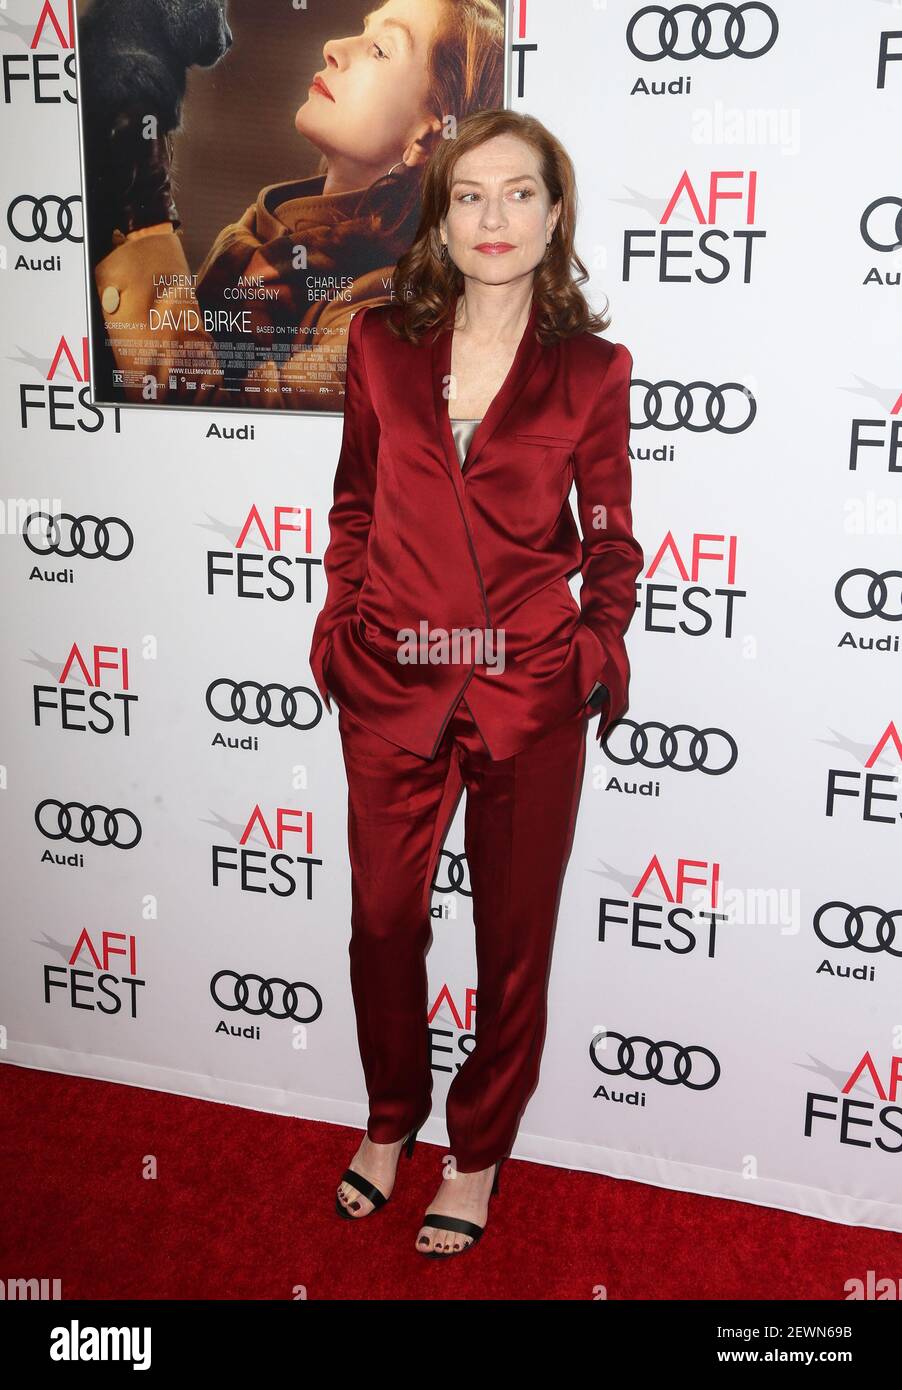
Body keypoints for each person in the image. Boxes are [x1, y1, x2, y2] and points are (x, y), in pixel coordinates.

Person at [309, 107, 644, 1257]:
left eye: (518, 194)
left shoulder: (592, 372)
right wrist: (335, 631)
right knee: (383, 925)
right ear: (439, 220)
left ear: (554, 218)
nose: (492, 217)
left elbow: (609, 538)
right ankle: (388, 1118)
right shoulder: (377, 345)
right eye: (469, 195)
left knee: (512, 949)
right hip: (392, 686)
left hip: (523, 699)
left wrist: (592, 654)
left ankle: (478, 1151)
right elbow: (354, 502)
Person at [81, 0, 504, 409]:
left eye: (380, 49)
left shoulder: (394, 321)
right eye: (362, 28)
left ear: (428, 138)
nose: (334, 48)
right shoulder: (263, 235)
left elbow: (217, 424)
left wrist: (146, 216)